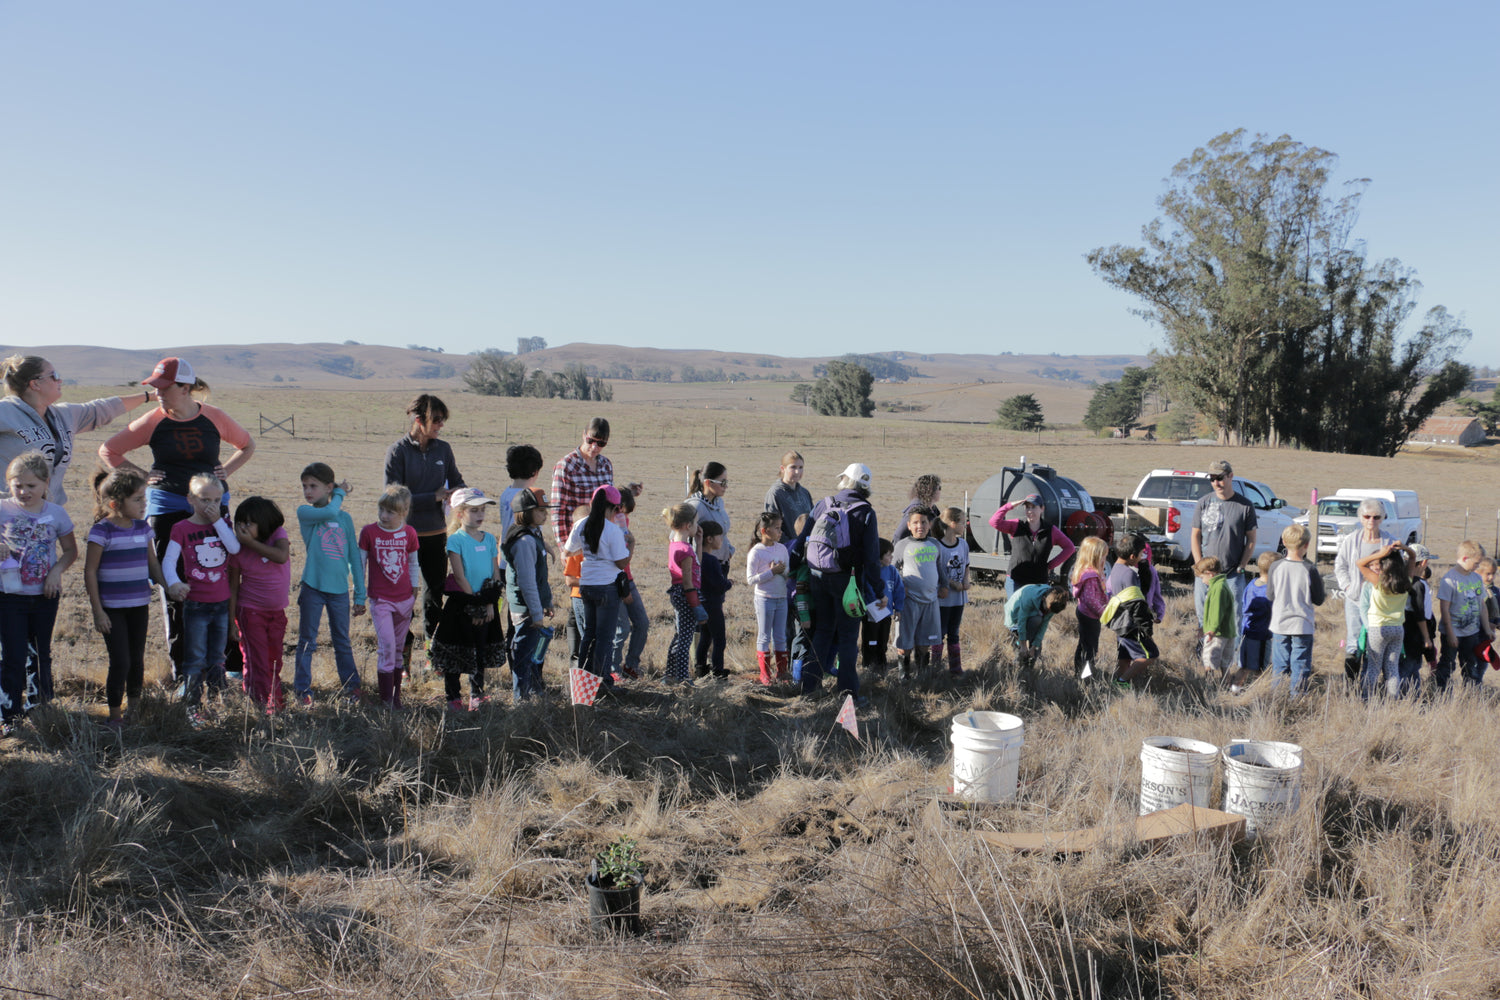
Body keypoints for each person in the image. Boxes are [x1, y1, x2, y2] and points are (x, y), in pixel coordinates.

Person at [99, 357, 254, 682]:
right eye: (154, 387)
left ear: (185, 388)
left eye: (164, 387)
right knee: (174, 586)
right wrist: (143, 476)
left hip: (213, 508)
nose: (157, 393)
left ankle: (228, 668)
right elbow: (108, 451)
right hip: (168, 510)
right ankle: (184, 672)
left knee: (220, 582)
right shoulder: (152, 421)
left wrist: (227, 471)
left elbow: (246, 444)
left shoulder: (214, 417)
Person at [86, 468, 174, 728]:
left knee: (136, 659)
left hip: (139, 605)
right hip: (112, 609)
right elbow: (90, 571)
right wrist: (98, 611)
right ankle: (114, 716)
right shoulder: (102, 531)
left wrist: (170, 587)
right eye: (137, 499)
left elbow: (153, 564)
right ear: (115, 504)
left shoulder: (143, 527)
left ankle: (134, 710)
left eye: (144, 498)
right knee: (120, 661)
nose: (144, 503)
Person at [384, 394, 465, 671]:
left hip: (437, 536)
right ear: (419, 420)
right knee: (403, 600)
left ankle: (434, 657)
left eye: (443, 420)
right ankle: (401, 663)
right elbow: (392, 497)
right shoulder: (397, 452)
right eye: (436, 420)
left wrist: (460, 494)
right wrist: (433, 496)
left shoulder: (444, 450)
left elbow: (457, 482)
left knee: (434, 598)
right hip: (404, 538)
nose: (441, 425)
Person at [0, 354, 151, 503]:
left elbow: (103, 408)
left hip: (49, 513)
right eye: (54, 375)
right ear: (35, 384)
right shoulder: (5, 412)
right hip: (9, 513)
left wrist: (150, 396)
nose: (60, 380)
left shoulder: (63, 415)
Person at [0, 452, 78, 728]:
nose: (23, 491)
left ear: (46, 484)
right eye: (17, 485)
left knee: (40, 653)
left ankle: (41, 710)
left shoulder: (56, 513)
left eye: (31, 486)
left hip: (45, 595)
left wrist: (56, 572)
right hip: (9, 597)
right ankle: (9, 715)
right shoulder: (2, 509)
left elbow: (70, 551)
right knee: (12, 655)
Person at [796, 463, 885, 702]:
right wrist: (879, 589)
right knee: (847, 637)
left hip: (817, 576)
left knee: (823, 631)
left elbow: (802, 539)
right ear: (866, 486)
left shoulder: (823, 504)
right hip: (849, 581)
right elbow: (871, 557)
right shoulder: (866, 512)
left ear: (844, 479)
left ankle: (809, 688)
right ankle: (848, 694)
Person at [162, 474, 241, 727]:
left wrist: (218, 520)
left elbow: (234, 548)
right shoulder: (181, 528)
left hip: (220, 604)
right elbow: (168, 561)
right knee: (195, 658)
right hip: (195, 604)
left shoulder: (222, 524)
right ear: (190, 500)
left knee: (218, 656)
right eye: (205, 499)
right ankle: (193, 708)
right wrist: (174, 583)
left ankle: (219, 706)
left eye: (216, 500)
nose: (211, 505)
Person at [294, 463, 366, 706]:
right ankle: (303, 690)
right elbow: (329, 513)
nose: (308, 491)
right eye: (305, 486)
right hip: (312, 587)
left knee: (342, 641)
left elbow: (354, 558)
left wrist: (359, 594)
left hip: (338, 592)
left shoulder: (345, 518)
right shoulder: (305, 512)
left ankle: (351, 687)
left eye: (313, 486)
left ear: (328, 487)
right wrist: (340, 493)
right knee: (307, 641)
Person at [433, 487, 504, 710]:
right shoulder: (456, 540)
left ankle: (477, 694)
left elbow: (495, 573)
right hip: (462, 605)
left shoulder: (491, 539)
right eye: (474, 510)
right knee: (456, 650)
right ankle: (453, 697)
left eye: (482, 510)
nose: (480, 515)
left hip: (486, 603)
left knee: (479, 650)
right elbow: (460, 576)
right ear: (460, 513)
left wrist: (490, 603)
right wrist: (477, 605)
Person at [564, 485, 631, 688]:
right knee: (605, 637)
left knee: (589, 634)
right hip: (607, 587)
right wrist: (631, 546)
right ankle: (602, 681)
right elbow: (621, 563)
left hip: (586, 585)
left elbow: (568, 551)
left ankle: (583, 681)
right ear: (615, 508)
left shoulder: (581, 525)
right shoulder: (612, 530)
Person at [228, 496, 291, 712]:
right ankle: (259, 707)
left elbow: (281, 556)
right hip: (250, 613)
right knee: (257, 662)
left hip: (277, 613)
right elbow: (233, 587)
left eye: (249, 523)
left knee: (274, 661)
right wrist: (231, 621)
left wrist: (252, 543)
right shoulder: (237, 551)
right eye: (240, 522)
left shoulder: (277, 536)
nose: (243, 528)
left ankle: (275, 703)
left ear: (264, 522)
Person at [360, 486, 420, 708]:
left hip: (405, 601)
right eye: (381, 509)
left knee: (397, 650)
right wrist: (359, 594)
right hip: (381, 601)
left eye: (390, 512)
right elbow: (360, 564)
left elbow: (413, 563)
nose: (384, 515)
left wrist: (414, 591)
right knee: (386, 647)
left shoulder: (410, 533)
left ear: (404, 512)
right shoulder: (369, 532)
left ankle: (396, 700)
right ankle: (385, 701)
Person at [1190, 460, 1256, 662]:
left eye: (1220, 478)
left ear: (1230, 476)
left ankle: (1232, 662)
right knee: (1204, 618)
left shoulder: (1245, 505)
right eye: (1212, 479)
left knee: (1233, 620)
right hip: (1206, 576)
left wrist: (1241, 566)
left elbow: (1251, 540)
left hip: (1232, 575)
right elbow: (1195, 536)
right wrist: (1201, 568)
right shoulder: (1204, 503)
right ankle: (1206, 660)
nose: (1216, 482)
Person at [1333, 498, 1398, 680]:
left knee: (1375, 640)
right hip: (1355, 599)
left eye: (1376, 517)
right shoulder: (1351, 540)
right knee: (1354, 641)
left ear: (1383, 518)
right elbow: (1340, 565)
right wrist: (1348, 586)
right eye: (1367, 516)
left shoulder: (1389, 542)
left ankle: (1369, 683)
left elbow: (1398, 570)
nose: (1371, 521)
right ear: (1360, 517)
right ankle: (1351, 684)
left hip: (1381, 603)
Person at [503, 488, 554, 700]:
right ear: (525, 512)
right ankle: (520, 700)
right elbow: (527, 582)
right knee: (523, 656)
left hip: (533, 607)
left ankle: (529, 692)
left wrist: (547, 601)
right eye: (540, 510)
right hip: (526, 610)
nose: (545, 514)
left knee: (530, 653)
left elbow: (541, 578)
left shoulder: (534, 533)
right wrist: (535, 612)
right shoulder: (524, 543)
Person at [1266, 524, 1325, 696]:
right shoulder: (1310, 569)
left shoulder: (1275, 567)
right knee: (1300, 666)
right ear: (1307, 545)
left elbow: (1270, 595)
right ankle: (1297, 698)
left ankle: (1277, 697)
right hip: (1302, 625)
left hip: (1279, 624)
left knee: (1279, 665)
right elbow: (1319, 599)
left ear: (1283, 542)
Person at [686, 461, 732, 676]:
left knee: (709, 627)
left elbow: (723, 532)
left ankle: (703, 667)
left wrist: (728, 549)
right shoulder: (694, 507)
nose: (725, 486)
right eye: (722, 481)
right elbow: (681, 537)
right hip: (704, 570)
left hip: (720, 564)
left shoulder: (719, 503)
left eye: (726, 481)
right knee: (710, 625)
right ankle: (709, 668)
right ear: (707, 482)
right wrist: (698, 560)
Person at [893, 505, 947, 679]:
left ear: (929, 524)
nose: (920, 526)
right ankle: (904, 675)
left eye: (923, 522)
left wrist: (944, 584)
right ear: (909, 525)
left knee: (926, 642)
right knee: (905, 641)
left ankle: (923, 674)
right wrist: (901, 586)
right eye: (915, 522)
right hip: (909, 601)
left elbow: (940, 567)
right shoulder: (902, 545)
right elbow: (892, 570)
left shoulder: (935, 544)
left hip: (931, 601)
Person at [989, 492, 1076, 596]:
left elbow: (1070, 548)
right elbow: (994, 522)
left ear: (1042, 508)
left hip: (1039, 581)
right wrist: (1010, 505)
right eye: (1027, 507)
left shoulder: (1051, 530)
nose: (1030, 511)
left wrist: (1050, 566)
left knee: (1036, 612)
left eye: (1033, 507)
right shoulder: (1017, 525)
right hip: (1015, 580)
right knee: (1016, 611)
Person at [1435, 540, 1494, 690]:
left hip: (1471, 633)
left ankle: (1470, 696)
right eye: (1476, 563)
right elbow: (1444, 610)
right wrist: (1450, 634)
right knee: (1447, 665)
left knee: (1470, 666)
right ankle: (1441, 693)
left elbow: (1481, 605)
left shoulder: (1475, 578)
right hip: (1453, 632)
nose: (1478, 566)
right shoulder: (1449, 580)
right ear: (1465, 558)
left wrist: (1487, 629)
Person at [1357, 542, 1412, 700]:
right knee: (1392, 669)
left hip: (1378, 629)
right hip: (1397, 629)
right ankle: (1393, 700)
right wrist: (1405, 549)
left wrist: (1380, 553)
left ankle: (1368, 700)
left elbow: (1360, 563)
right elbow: (1413, 557)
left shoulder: (1378, 582)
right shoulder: (1406, 582)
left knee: (1373, 668)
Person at [1104, 533, 1157, 685]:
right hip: (1131, 624)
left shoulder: (1117, 567)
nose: (1142, 557)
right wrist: (1146, 628)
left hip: (1120, 623)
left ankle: (1118, 686)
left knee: (1124, 657)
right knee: (1150, 654)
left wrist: (1143, 569)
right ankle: (1122, 680)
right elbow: (1136, 604)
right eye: (1141, 555)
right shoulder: (1128, 575)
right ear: (1133, 556)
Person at [663, 503, 705, 686]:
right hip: (687, 594)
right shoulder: (685, 550)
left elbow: (697, 564)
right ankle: (683, 677)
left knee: (679, 635)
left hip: (679, 593)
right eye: (696, 522)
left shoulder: (676, 545)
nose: (697, 526)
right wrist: (695, 604)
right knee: (685, 640)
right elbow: (688, 580)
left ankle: (670, 675)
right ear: (688, 525)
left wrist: (700, 544)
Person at [746, 511, 790, 685]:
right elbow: (750, 580)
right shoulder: (756, 552)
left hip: (782, 597)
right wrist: (771, 572)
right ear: (765, 531)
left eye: (781, 528)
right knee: (764, 636)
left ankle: (782, 672)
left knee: (780, 636)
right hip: (764, 598)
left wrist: (782, 571)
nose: (780, 532)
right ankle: (765, 673)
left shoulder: (782, 548)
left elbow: (787, 573)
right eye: (777, 528)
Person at [609, 489, 648, 682]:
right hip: (615, 582)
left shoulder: (622, 520)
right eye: (622, 511)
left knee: (642, 623)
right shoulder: (608, 524)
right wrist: (631, 543)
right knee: (621, 628)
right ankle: (613, 669)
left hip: (628, 579)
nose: (624, 516)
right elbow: (622, 558)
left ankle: (631, 665)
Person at [1231, 551, 1278, 692]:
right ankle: (1259, 692)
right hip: (1262, 635)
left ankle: (1235, 689)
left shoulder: (1251, 584)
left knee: (1245, 666)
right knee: (1260, 669)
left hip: (1247, 632)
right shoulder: (1270, 591)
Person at [1397, 544, 1436, 698]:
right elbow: (1420, 612)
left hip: (1403, 630)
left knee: (1412, 668)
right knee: (1408, 668)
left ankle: (1413, 699)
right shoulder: (1419, 585)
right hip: (1415, 634)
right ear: (1424, 562)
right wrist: (1427, 637)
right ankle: (1401, 699)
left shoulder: (1401, 580)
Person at [936, 507, 971, 675]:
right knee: (939, 633)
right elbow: (936, 572)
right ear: (952, 524)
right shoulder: (938, 546)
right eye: (963, 522)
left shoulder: (963, 544)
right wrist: (951, 583)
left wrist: (965, 581)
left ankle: (955, 669)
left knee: (954, 633)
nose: (966, 525)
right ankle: (935, 669)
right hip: (943, 599)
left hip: (959, 600)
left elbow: (966, 566)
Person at [1004, 584, 1070, 669]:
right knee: (1021, 648)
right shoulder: (1030, 597)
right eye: (1048, 609)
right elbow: (1021, 622)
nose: (1048, 613)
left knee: (1036, 647)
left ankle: (1029, 667)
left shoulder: (1055, 603)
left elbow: (1043, 627)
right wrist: (1023, 645)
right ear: (1044, 599)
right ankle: (1018, 663)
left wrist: (1034, 647)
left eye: (1051, 612)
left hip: (1033, 615)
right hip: (1016, 617)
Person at [1070, 535, 1109, 679]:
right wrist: (1104, 612)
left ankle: (1080, 671)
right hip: (1090, 616)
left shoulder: (1090, 571)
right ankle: (1086, 675)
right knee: (1090, 648)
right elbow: (1090, 599)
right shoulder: (1091, 575)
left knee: (1084, 643)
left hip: (1086, 614)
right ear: (1093, 557)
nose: (1105, 559)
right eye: (1102, 556)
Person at [861, 538, 903, 672]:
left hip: (886, 613)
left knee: (883, 637)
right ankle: (868, 661)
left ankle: (881, 659)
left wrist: (899, 608)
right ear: (878, 555)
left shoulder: (892, 571)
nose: (892, 557)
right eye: (888, 554)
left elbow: (899, 590)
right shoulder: (868, 571)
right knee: (870, 637)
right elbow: (864, 590)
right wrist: (869, 604)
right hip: (871, 613)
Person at [698, 521, 732, 678]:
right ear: (710, 539)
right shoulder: (711, 561)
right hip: (713, 604)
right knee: (719, 639)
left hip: (702, 602)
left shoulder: (700, 558)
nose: (722, 540)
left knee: (705, 637)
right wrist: (728, 583)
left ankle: (701, 668)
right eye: (721, 537)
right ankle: (718, 670)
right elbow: (719, 585)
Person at [1196, 557, 1236, 680]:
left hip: (1217, 633)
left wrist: (1211, 629)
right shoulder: (1221, 584)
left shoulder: (1218, 588)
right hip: (1227, 631)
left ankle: (1208, 685)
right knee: (1225, 663)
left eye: (1202, 577)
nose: (1202, 581)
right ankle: (1226, 684)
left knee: (1209, 660)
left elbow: (1217, 611)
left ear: (1210, 573)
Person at [765, 451, 813, 542]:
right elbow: (772, 526)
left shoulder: (805, 493)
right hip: (786, 548)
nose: (797, 471)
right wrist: (791, 546)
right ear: (783, 468)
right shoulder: (775, 493)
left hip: (807, 546)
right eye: (793, 467)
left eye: (801, 467)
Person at [892, 474, 942, 545]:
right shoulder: (915, 510)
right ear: (930, 490)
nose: (940, 491)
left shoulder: (933, 509)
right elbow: (899, 535)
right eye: (939, 488)